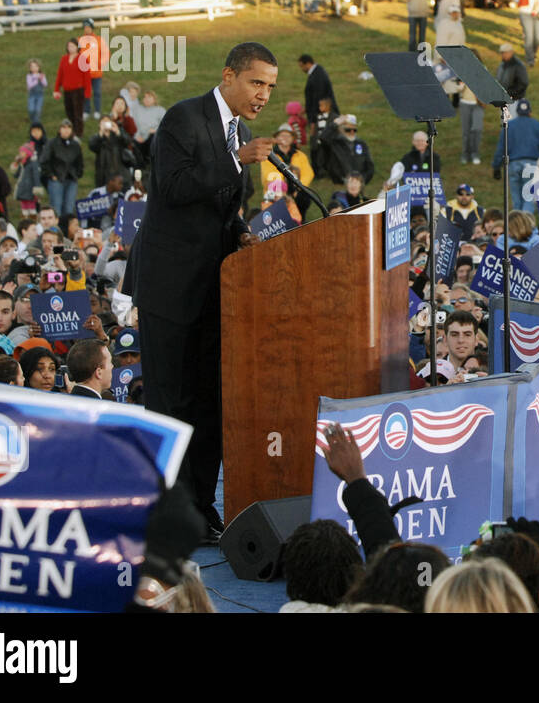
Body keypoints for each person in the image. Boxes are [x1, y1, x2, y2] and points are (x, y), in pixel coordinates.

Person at [121, 42, 279, 542]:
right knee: (171, 399)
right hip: (169, 286)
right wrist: (237, 158)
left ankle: (201, 505)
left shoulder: (243, 135)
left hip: (215, 286)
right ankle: (167, 510)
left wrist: (239, 233)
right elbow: (172, 188)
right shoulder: (182, 119)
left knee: (209, 401)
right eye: (257, 83)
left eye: (271, 88)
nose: (263, 96)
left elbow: (224, 209)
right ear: (229, 76)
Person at [492, 99, 539, 215]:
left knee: (516, 201)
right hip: (531, 165)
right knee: (528, 199)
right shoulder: (536, 125)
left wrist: (496, 166)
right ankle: (527, 227)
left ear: (516, 112)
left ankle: (517, 227)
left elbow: (502, 147)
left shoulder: (509, 125)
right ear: (530, 112)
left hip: (513, 165)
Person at [39, 119, 83, 222]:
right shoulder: (52, 143)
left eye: (69, 128)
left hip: (71, 179)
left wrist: (77, 174)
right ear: (59, 130)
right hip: (56, 180)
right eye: (64, 127)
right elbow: (44, 161)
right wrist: (51, 175)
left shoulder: (75, 145)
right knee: (56, 209)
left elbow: (79, 162)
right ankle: (56, 232)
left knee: (69, 209)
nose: (66, 130)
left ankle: (67, 232)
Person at [54, 38, 87, 138]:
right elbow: (60, 74)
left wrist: (87, 92)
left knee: (78, 112)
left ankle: (79, 133)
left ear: (77, 47)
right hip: (67, 89)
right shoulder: (64, 59)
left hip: (78, 90)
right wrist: (56, 89)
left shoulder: (82, 58)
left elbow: (86, 76)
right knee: (69, 111)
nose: (70, 48)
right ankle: (71, 131)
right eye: (69, 46)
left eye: (73, 46)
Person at [298, 54, 337, 126]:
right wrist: (306, 109)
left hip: (322, 116)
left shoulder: (317, 75)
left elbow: (318, 97)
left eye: (302, 66)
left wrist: (313, 119)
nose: (302, 69)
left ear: (308, 63)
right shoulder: (317, 72)